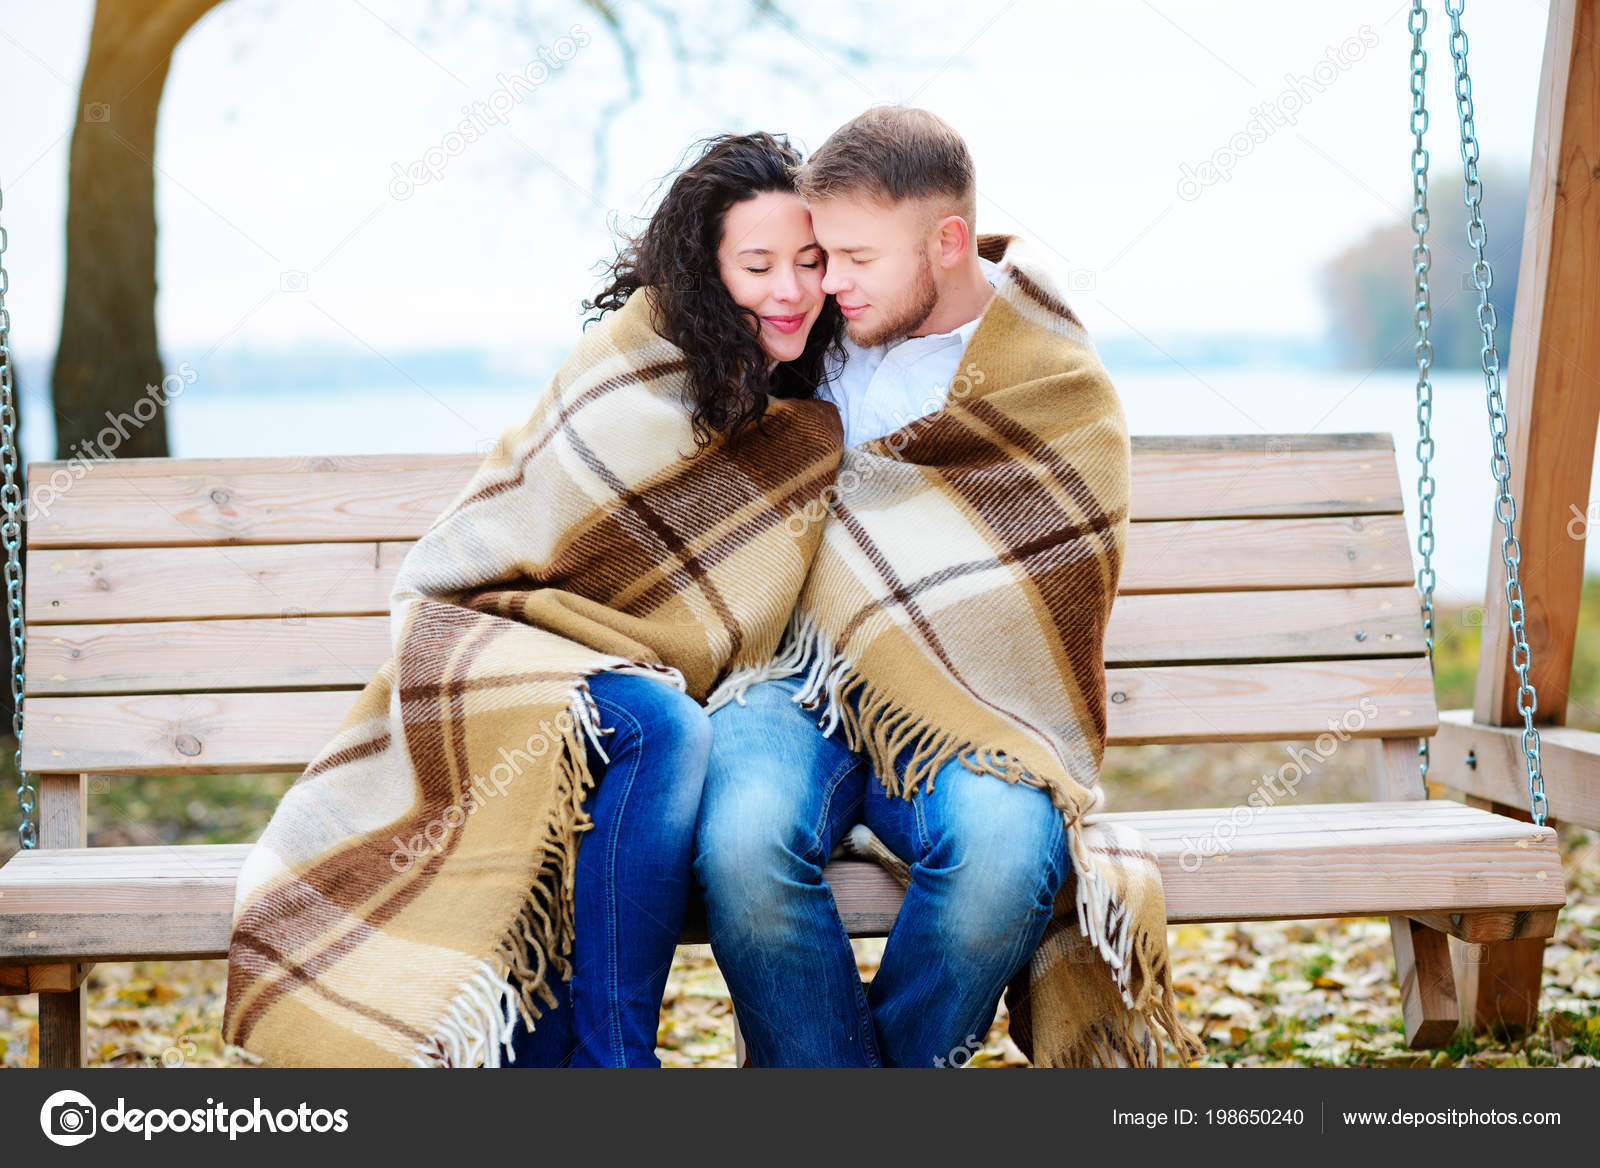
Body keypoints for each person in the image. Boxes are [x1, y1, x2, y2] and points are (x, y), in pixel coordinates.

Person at [692, 107, 1077, 1068]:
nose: (828, 282)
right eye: (825, 254)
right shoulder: (802, 337)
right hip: (792, 680)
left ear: (946, 243)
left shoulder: (1046, 375)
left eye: (856, 258)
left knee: (1006, 855)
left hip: (966, 703)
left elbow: (1055, 573)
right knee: (742, 845)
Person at [504, 131, 844, 1067]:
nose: (790, 290)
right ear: (707, 272)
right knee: (662, 727)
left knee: (663, 735)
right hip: (516, 648)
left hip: (638, 692)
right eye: (758, 266)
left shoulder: (802, 406)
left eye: (811, 261)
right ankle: (616, 1064)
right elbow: (520, 547)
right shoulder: (631, 375)